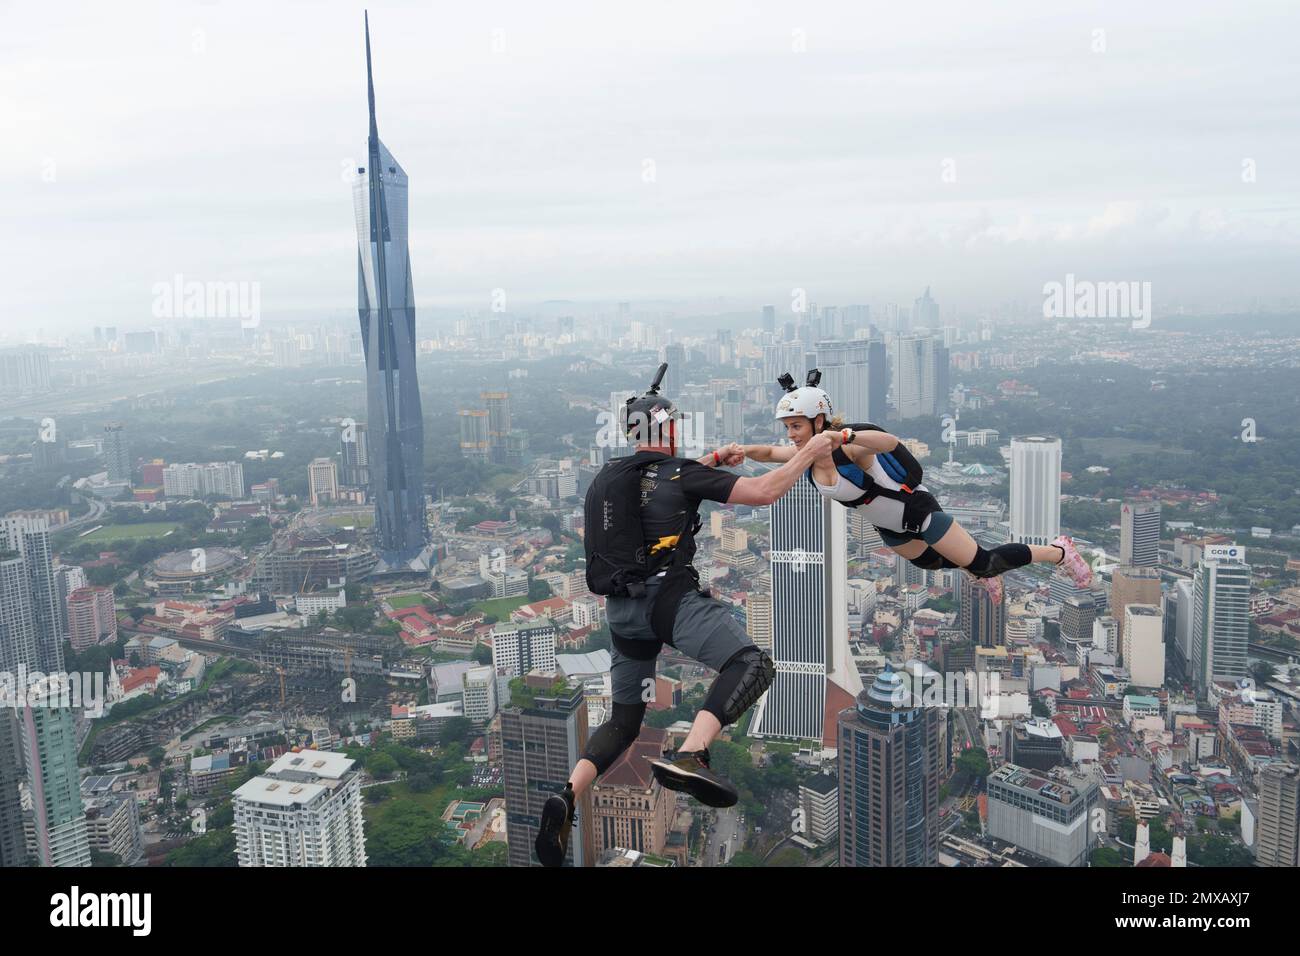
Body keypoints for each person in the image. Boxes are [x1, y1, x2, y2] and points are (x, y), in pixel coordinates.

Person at [534, 366, 836, 867]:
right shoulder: (681, 473)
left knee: (625, 720)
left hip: (621, 611)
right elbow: (763, 493)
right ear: (667, 428)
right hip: (666, 602)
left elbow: (656, 484)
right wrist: (808, 451)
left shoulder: (608, 476)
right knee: (752, 664)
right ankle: (693, 753)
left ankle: (566, 796)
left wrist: (710, 463)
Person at [741, 370, 1094, 606]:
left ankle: (1059, 552)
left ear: (819, 420)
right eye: (788, 427)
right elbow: (770, 452)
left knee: (987, 561)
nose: (791, 435)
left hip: (918, 513)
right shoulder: (805, 454)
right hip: (890, 528)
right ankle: (976, 570)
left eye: (797, 425)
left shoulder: (847, 448)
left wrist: (845, 434)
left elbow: (887, 440)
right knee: (933, 563)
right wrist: (738, 451)